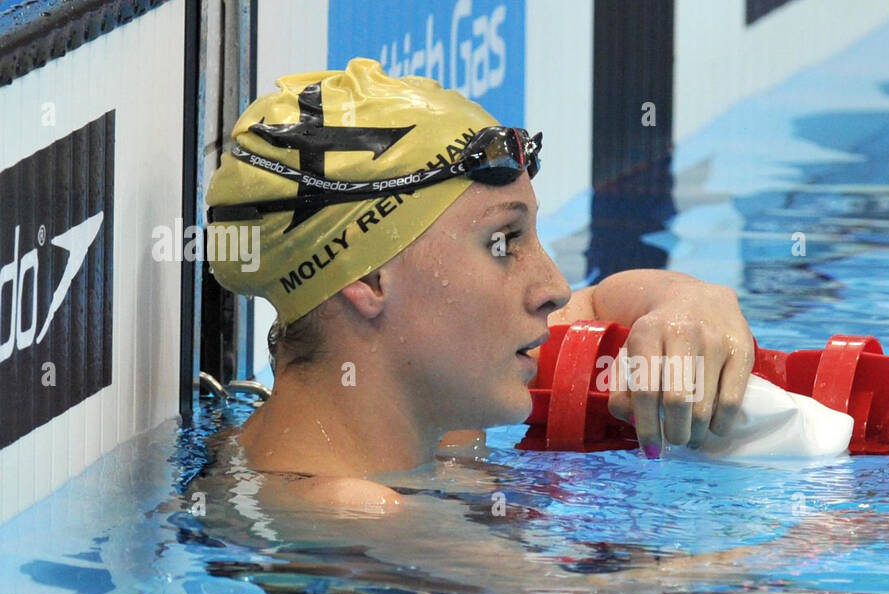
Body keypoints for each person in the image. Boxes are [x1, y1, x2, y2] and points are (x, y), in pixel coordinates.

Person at [205, 58, 755, 515]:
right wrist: (835, 531)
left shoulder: (431, 404)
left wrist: (690, 303)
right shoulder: (355, 511)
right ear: (368, 279)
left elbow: (598, 304)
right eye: (503, 242)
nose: (555, 288)